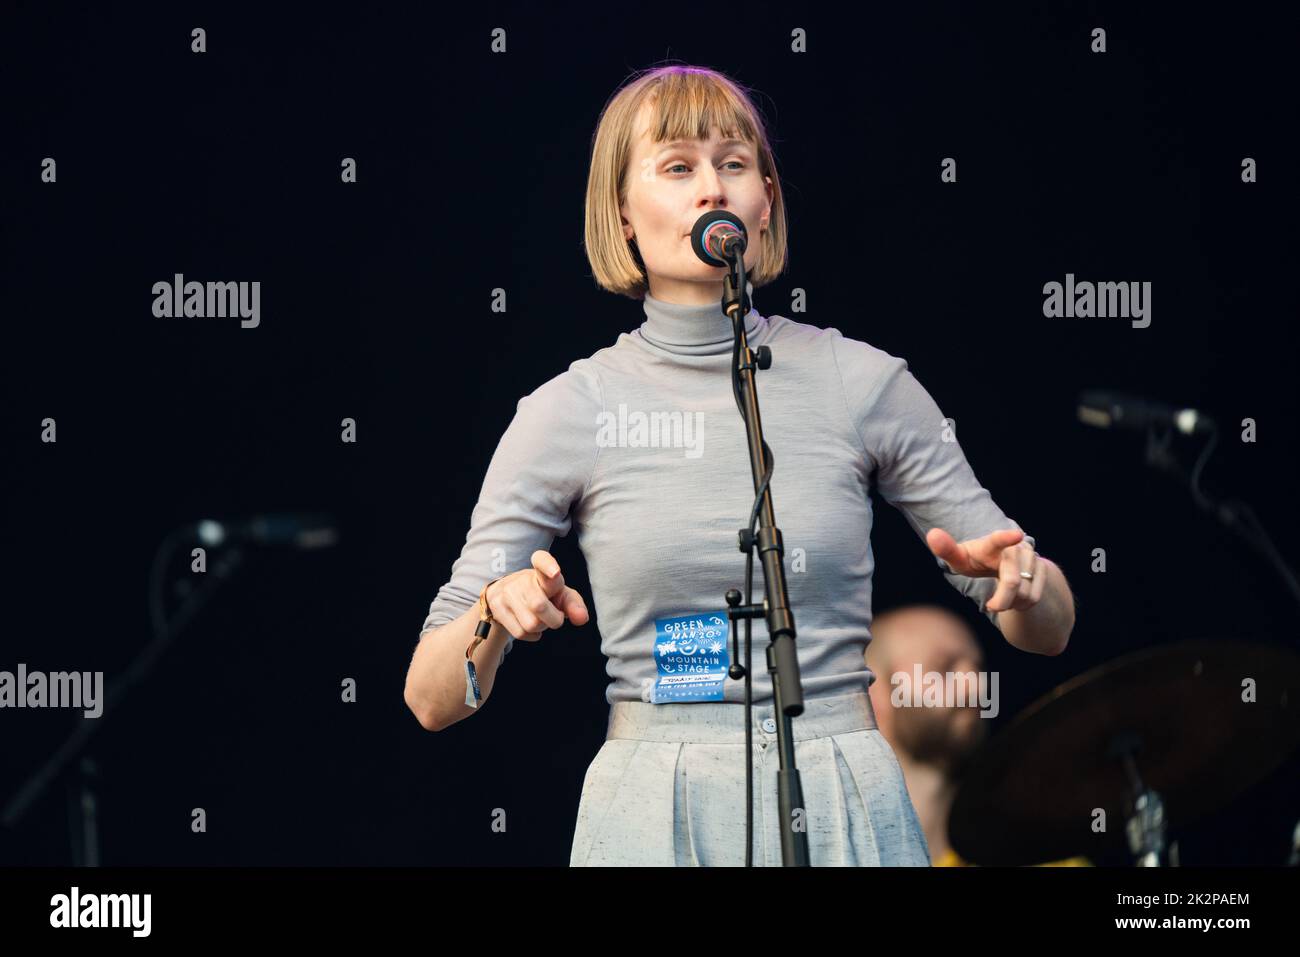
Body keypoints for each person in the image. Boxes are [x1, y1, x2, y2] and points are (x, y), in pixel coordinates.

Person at [403, 63, 1077, 866]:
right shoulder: (568, 409)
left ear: (766, 201)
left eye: (734, 163)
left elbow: (1047, 627)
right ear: (620, 212)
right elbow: (429, 699)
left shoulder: (858, 380)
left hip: (838, 781)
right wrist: (492, 609)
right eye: (678, 165)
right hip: (659, 796)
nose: (712, 188)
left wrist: (1026, 585)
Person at [867, 605, 1089, 867]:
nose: (977, 686)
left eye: (978, 668)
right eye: (943, 670)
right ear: (871, 695)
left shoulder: (1039, 856)